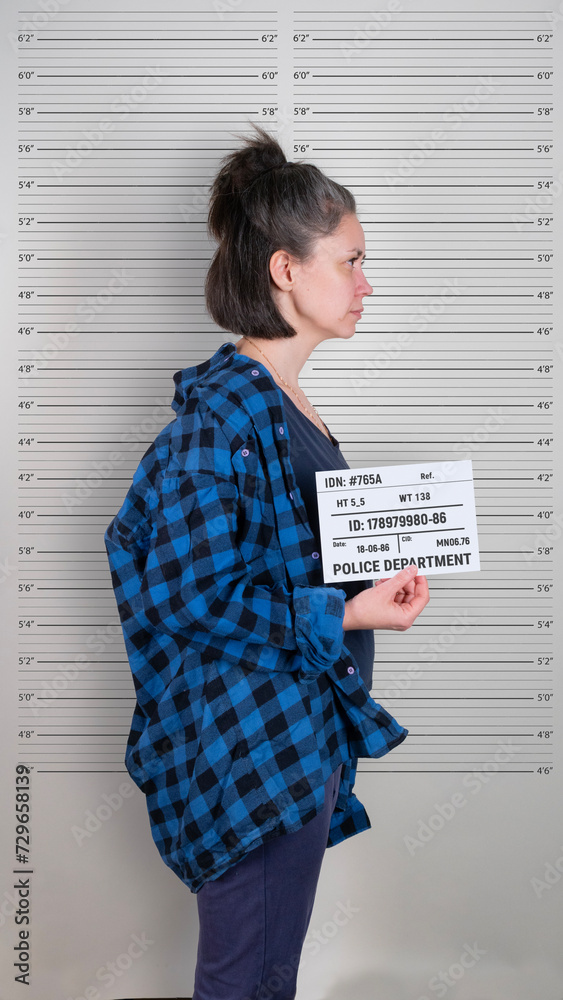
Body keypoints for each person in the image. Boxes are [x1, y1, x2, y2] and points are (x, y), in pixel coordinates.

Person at [104, 122, 430, 1000]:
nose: (367, 283)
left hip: (302, 740)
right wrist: (350, 614)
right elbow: (192, 593)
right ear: (285, 270)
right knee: (244, 978)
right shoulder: (221, 419)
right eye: (350, 261)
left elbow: (288, 564)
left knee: (269, 977)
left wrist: (370, 581)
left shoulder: (291, 408)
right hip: (252, 756)